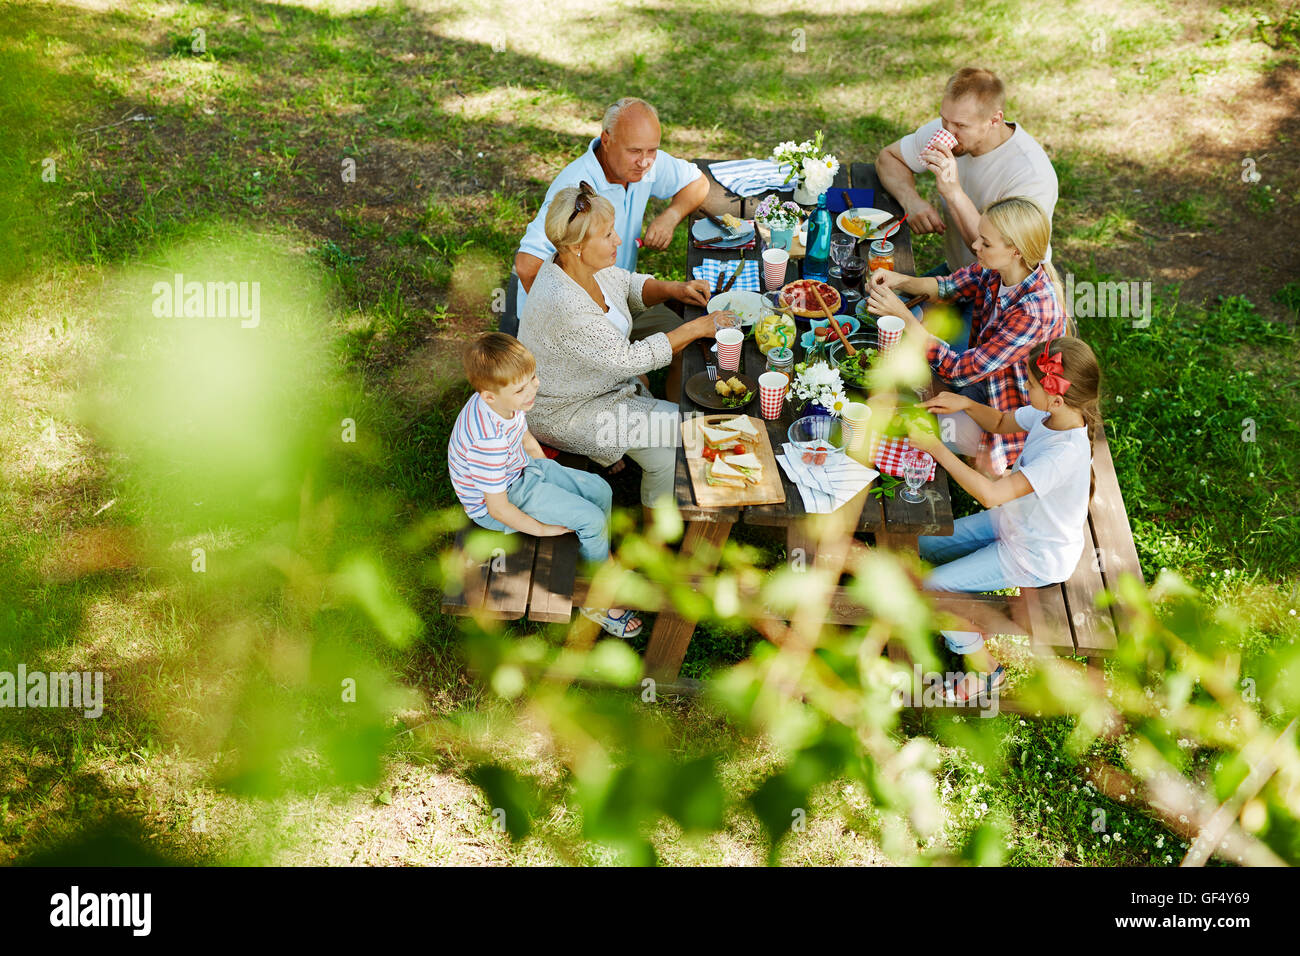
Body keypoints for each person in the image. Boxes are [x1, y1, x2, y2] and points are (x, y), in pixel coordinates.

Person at [518, 182, 734, 519]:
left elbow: (627, 284)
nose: (618, 240)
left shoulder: (579, 266)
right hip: (569, 410)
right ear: (575, 247)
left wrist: (674, 289)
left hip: (597, 384)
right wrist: (696, 328)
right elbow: (627, 360)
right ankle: (655, 544)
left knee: (685, 428)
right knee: (675, 442)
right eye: (607, 235)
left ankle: (637, 455)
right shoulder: (564, 304)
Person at [907, 337, 1101, 703]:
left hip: (1035, 555)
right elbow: (998, 421)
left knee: (933, 589)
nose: (1024, 387)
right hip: (1011, 523)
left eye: (1029, 384)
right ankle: (965, 613)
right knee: (922, 542)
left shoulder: (1063, 455)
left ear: (1056, 398)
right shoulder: (1050, 416)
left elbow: (991, 494)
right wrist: (965, 402)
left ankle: (986, 671)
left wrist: (935, 448)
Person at [447, 332, 645, 638]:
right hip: (502, 499)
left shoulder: (503, 403)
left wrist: (543, 465)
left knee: (600, 490)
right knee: (590, 518)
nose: (532, 390)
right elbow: (498, 507)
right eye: (521, 389)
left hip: (521, 472)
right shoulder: (487, 441)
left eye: (533, 378)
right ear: (489, 395)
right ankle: (597, 599)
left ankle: (597, 557)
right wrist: (540, 529)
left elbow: (522, 434)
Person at [866, 196, 1068, 476]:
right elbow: (949, 287)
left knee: (901, 426)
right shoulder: (999, 270)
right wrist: (899, 280)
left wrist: (904, 316)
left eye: (985, 243)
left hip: (1009, 414)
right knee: (899, 388)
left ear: (1016, 252)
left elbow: (958, 371)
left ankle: (993, 468)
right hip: (983, 381)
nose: (975, 246)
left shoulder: (1034, 311)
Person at [875, 67, 1057, 348]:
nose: (948, 131)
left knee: (934, 368)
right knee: (877, 318)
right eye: (944, 119)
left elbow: (999, 253)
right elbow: (888, 158)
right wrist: (912, 200)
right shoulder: (949, 132)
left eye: (960, 125)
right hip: (960, 276)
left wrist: (953, 192)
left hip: (1000, 295)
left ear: (994, 119)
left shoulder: (1030, 175)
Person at [514, 96, 709, 339]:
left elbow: (698, 182)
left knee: (689, 337)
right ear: (606, 140)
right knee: (665, 352)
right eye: (635, 150)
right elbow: (526, 264)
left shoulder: (642, 165)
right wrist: (582, 321)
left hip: (619, 294)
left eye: (653, 150)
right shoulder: (576, 189)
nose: (645, 161)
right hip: (575, 318)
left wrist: (670, 216)